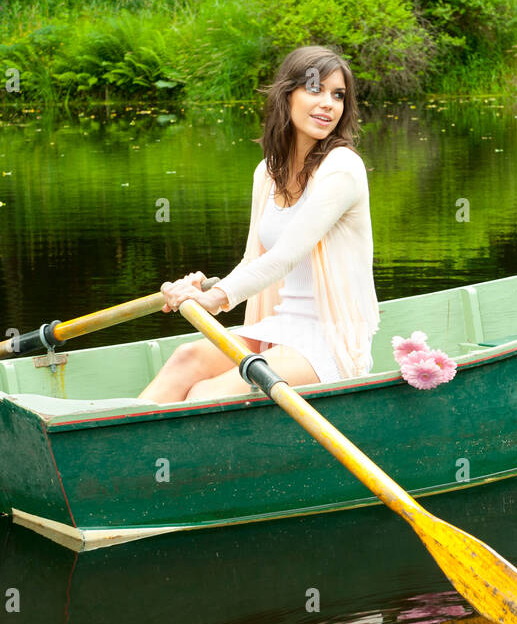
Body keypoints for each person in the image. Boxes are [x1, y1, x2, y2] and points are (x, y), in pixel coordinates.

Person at [138, 46, 379, 403]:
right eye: (316, 89)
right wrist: (202, 295)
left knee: (208, 393)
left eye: (338, 95)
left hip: (331, 341)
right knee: (185, 359)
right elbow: (254, 260)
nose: (329, 103)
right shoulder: (268, 172)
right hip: (281, 327)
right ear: (288, 94)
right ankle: (111, 451)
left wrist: (210, 298)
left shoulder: (342, 168)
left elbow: (284, 257)